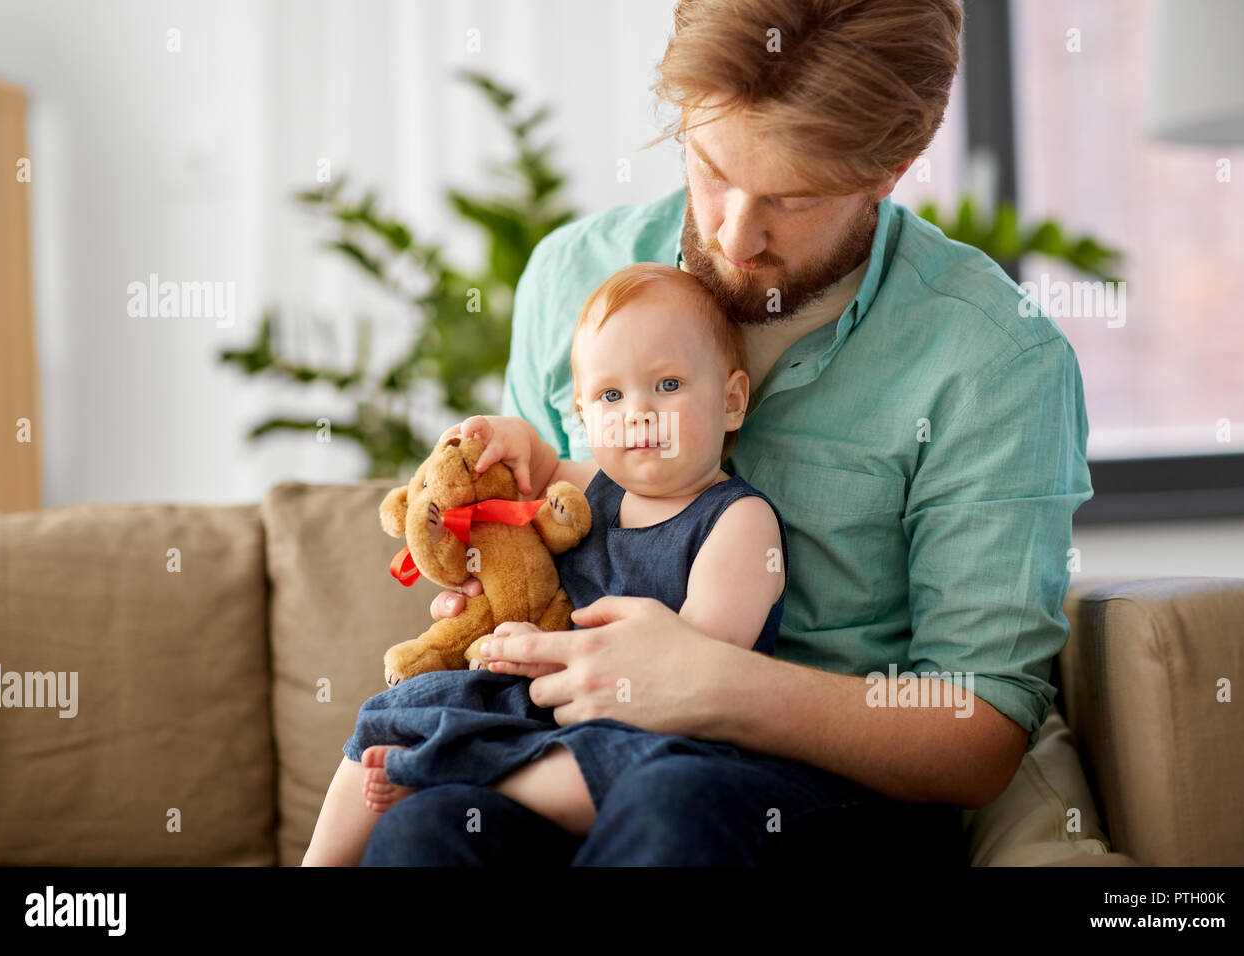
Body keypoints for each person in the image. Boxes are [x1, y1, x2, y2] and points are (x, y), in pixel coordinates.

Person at [359, 0, 1092, 866]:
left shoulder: (995, 360)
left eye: (792, 197)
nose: (734, 235)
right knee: (425, 832)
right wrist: (490, 563)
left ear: (892, 168)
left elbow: (978, 735)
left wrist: (719, 687)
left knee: (675, 806)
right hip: (562, 751)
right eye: (710, 169)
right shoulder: (571, 278)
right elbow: (534, 558)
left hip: (820, 798)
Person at [306, 263, 876, 866]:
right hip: (539, 713)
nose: (638, 412)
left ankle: (464, 771)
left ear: (732, 401)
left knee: (617, 774)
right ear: (584, 414)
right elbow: (534, 467)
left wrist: (549, 648)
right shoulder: (591, 488)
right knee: (396, 711)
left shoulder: (736, 521)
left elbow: (700, 668)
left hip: (653, 730)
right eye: (611, 395)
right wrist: (504, 437)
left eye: (669, 385)